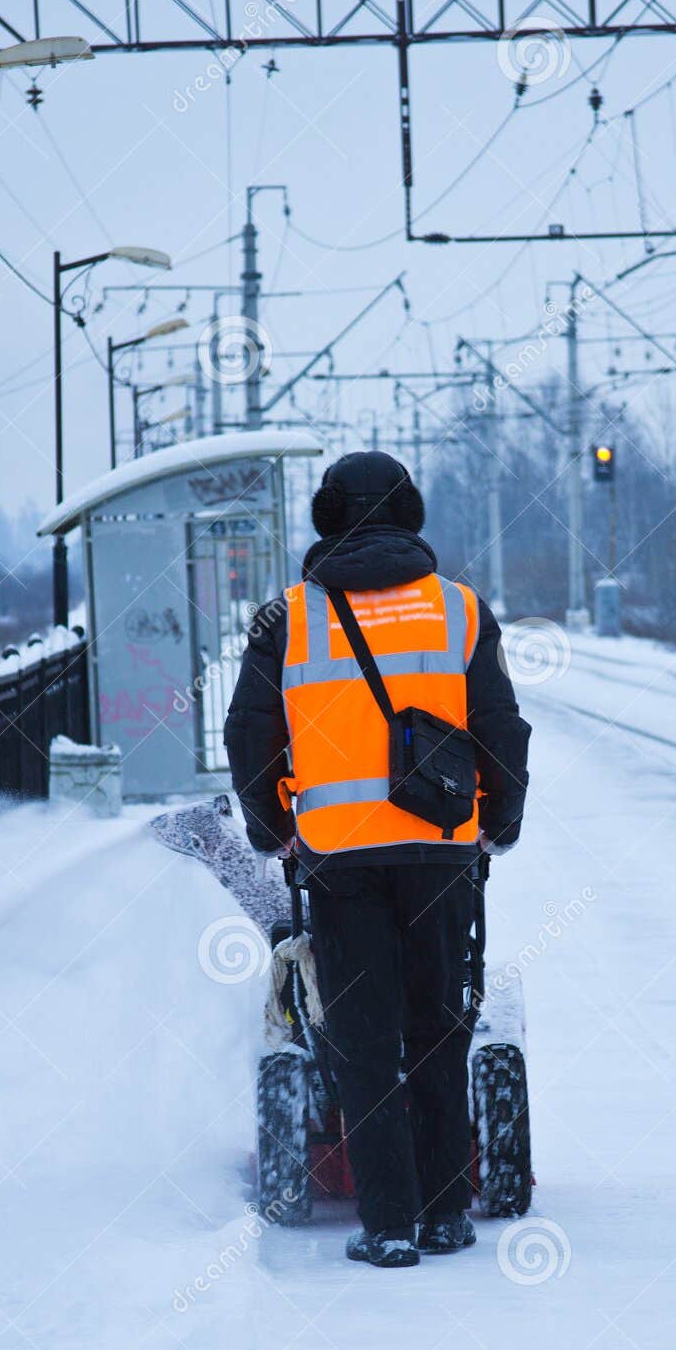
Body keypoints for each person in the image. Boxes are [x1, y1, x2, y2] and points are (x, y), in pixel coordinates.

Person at [224, 451, 530, 1268]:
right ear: (412, 512)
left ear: (326, 517)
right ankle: (445, 1216)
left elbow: (249, 737)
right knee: (438, 1026)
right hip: (440, 852)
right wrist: (498, 823)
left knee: (362, 1037)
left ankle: (388, 1225)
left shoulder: (281, 619)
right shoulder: (462, 611)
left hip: (336, 860)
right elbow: (502, 731)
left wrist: (271, 829)